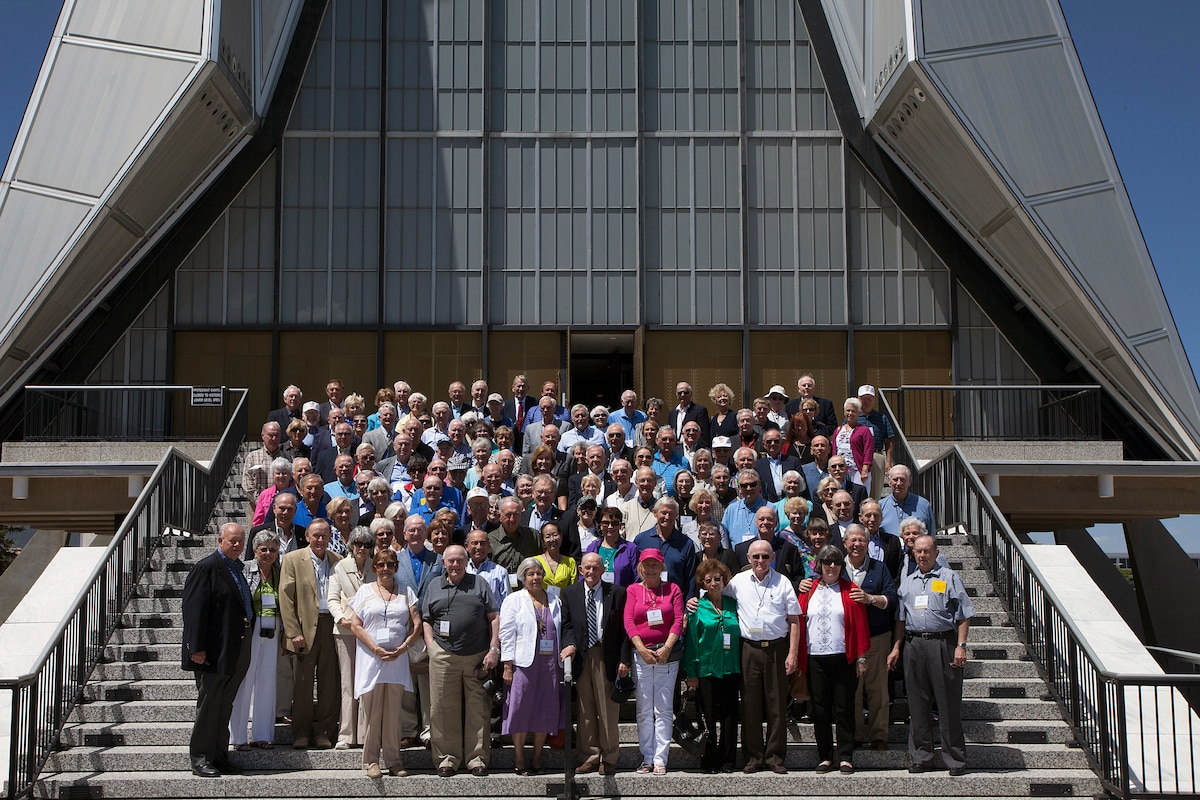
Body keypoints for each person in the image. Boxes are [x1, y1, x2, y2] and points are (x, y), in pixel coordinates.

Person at [887, 534, 975, 776]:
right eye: (918, 552)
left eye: (927, 551)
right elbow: (900, 619)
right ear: (913, 554)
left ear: (936, 553)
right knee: (917, 704)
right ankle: (921, 757)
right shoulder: (908, 582)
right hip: (914, 645)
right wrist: (896, 648)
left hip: (942, 644)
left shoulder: (949, 578)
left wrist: (961, 645)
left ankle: (955, 760)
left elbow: (964, 614)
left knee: (947, 703)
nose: (923, 555)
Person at [421, 545, 501, 777]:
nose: (455, 565)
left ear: (466, 562)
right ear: (443, 563)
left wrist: (493, 648)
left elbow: (494, 617)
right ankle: (447, 758)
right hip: (443, 656)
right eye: (450, 561)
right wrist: (431, 647)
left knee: (478, 708)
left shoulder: (479, 584)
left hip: (477, 656)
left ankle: (477, 759)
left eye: (459, 561)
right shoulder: (435, 585)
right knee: (443, 708)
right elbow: (426, 618)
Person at [182, 523, 253, 778]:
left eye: (240, 541)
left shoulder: (237, 569)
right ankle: (200, 757)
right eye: (232, 540)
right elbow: (193, 611)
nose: (236, 545)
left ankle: (219, 756)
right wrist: (196, 648)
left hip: (235, 648)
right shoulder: (207, 567)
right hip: (212, 651)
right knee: (210, 705)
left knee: (224, 705)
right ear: (220, 540)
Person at [725, 539, 802, 774]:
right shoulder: (737, 582)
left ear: (773, 558)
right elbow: (716, 597)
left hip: (777, 649)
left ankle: (775, 757)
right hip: (748, 649)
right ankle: (753, 757)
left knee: (777, 705)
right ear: (748, 558)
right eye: (756, 557)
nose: (760, 561)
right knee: (750, 705)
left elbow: (794, 620)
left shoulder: (783, 582)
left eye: (765, 557)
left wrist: (792, 654)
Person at [798, 545, 870, 774]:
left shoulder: (851, 589)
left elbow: (860, 625)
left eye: (836, 562)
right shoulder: (809, 589)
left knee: (844, 708)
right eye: (827, 562)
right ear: (819, 565)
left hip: (843, 656)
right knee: (819, 709)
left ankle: (846, 756)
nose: (831, 566)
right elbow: (799, 620)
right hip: (815, 657)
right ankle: (825, 756)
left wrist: (861, 657)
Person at [350, 548, 422, 778]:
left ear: (396, 568)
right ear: (374, 568)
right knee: (372, 712)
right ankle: (371, 761)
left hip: (397, 660)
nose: (385, 569)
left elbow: (417, 623)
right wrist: (374, 648)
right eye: (381, 565)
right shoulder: (364, 591)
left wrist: (404, 647)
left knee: (393, 713)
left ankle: (393, 759)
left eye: (390, 564)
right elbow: (355, 624)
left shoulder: (406, 592)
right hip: (372, 660)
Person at [559, 552, 629, 775]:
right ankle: (589, 756)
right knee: (585, 709)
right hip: (581, 654)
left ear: (602, 570)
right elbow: (567, 625)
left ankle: (608, 758)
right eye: (587, 568)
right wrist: (569, 644)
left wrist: (624, 659)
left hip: (606, 654)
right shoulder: (570, 593)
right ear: (580, 570)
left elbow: (625, 630)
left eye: (595, 568)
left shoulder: (616, 592)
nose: (591, 572)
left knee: (608, 709)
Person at [278, 518, 343, 750]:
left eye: (324, 535)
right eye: (316, 535)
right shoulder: (293, 559)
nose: (320, 539)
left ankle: (325, 731)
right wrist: (293, 631)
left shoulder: (338, 561)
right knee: (302, 685)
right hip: (303, 628)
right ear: (307, 537)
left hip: (330, 625)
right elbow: (286, 598)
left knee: (329, 683)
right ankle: (301, 733)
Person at [499, 558, 564, 775]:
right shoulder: (513, 600)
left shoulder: (555, 599)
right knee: (520, 709)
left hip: (550, 664)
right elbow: (506, 634)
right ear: (523, 577)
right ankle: (519, 757)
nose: (535, 577)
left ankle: (537, 756)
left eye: (538, 573)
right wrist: (507, 666)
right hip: (523, 664)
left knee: (545, 709)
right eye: (530, 574)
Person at [623, 548, 684, 775]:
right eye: (647, 565)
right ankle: (647, 757)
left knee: (664, 709)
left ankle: (661, 758)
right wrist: (641, 649)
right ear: (640, 567)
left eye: (655, 565)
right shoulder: (632, 590)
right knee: (643, 709)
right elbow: (629, 621)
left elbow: (678, 621)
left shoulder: (673, 589)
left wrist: (667, 647)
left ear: (662, 567)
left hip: (667, 656)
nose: (651, 569)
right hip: (642, 655)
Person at [683, 559, 740, 773]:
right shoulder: (697, 607)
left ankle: (728, 760)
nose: (714, 583)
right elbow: (691, 642)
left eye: (718, 579)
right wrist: (692, 673)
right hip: (706, 669)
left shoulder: (733, 604)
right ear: (703, 583)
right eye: (709, 580)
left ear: (724, 580)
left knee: (729, 716)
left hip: (731, 668)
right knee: (706, 716)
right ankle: (709, 759)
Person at [229, 530, 282, 752]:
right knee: (244, 681)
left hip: (274, 628)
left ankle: (262, 735)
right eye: (264, 549)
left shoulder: (281, 571)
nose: (268, 554)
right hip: (250, 628)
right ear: (255, 550)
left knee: (267, 681)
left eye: (272, 549)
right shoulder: (244, 570)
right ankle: (238, 736)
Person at [327, 526, 375, 750]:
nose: (362, 549)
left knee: (366, 683)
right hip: (345, 631)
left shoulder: (375, 567)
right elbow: (332, 599)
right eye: (358, 544)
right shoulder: (339, 567)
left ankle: (365, 734)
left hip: (368, 633)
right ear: (351, 545)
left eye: (367, 545)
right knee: (347, 683)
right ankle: (346, 734)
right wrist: (340, 618)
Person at [632, 497, 698, 599]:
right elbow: (635, 573)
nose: (667, 517)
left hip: (674, 601)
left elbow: (690, 578)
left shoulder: (686, 543)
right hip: (646, 599)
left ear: (676, 516)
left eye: (671, 514)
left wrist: (687, 608)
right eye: (663, 513)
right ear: (655, 513)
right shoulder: (641, 540)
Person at [586, 506, 639, 588]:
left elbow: (636, 578)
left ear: (620, 526)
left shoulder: (631, 549)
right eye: (606, 523)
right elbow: (584, 575)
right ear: (600, 525)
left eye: (614, 523)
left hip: (622, 597)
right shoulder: (592, 548)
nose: (610, 527)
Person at [879, 464, 935, 537]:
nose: (899, 483)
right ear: (889, 481)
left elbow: (931, 535)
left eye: (902, 479)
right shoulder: (880, 506)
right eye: (895, 479)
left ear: (909, 481)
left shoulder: (923, 505)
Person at [833, 398, 874, 493]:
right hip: (841, 471)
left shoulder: (864, 430)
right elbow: (835, 451)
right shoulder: (838, 430)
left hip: (857, 470)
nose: (850, 413)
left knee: (859, 497)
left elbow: (868, 450)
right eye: (848, 410)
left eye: (853, 411)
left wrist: (865, 470)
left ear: (858, 413)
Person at [533, 520, 577, 588]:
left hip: (563, 598)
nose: (552, 539)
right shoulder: (535, 561)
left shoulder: (570, 562)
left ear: (561, 536)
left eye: (555, 535)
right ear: (543, 540)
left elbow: (573, 588)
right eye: (547, 536)